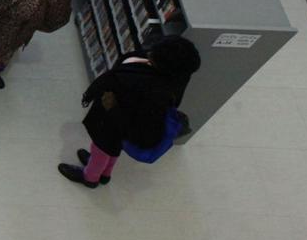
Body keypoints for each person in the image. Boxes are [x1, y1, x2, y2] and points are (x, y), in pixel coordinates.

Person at [59, 35, 201, 189]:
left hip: (114, 122)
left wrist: (111, 107)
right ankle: (105, 173)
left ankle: (90, 177)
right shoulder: (177, 80)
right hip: (122, 128)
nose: (149, 53)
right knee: (112, 149)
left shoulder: (148, 89)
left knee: (100, 148)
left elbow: (133, 120)